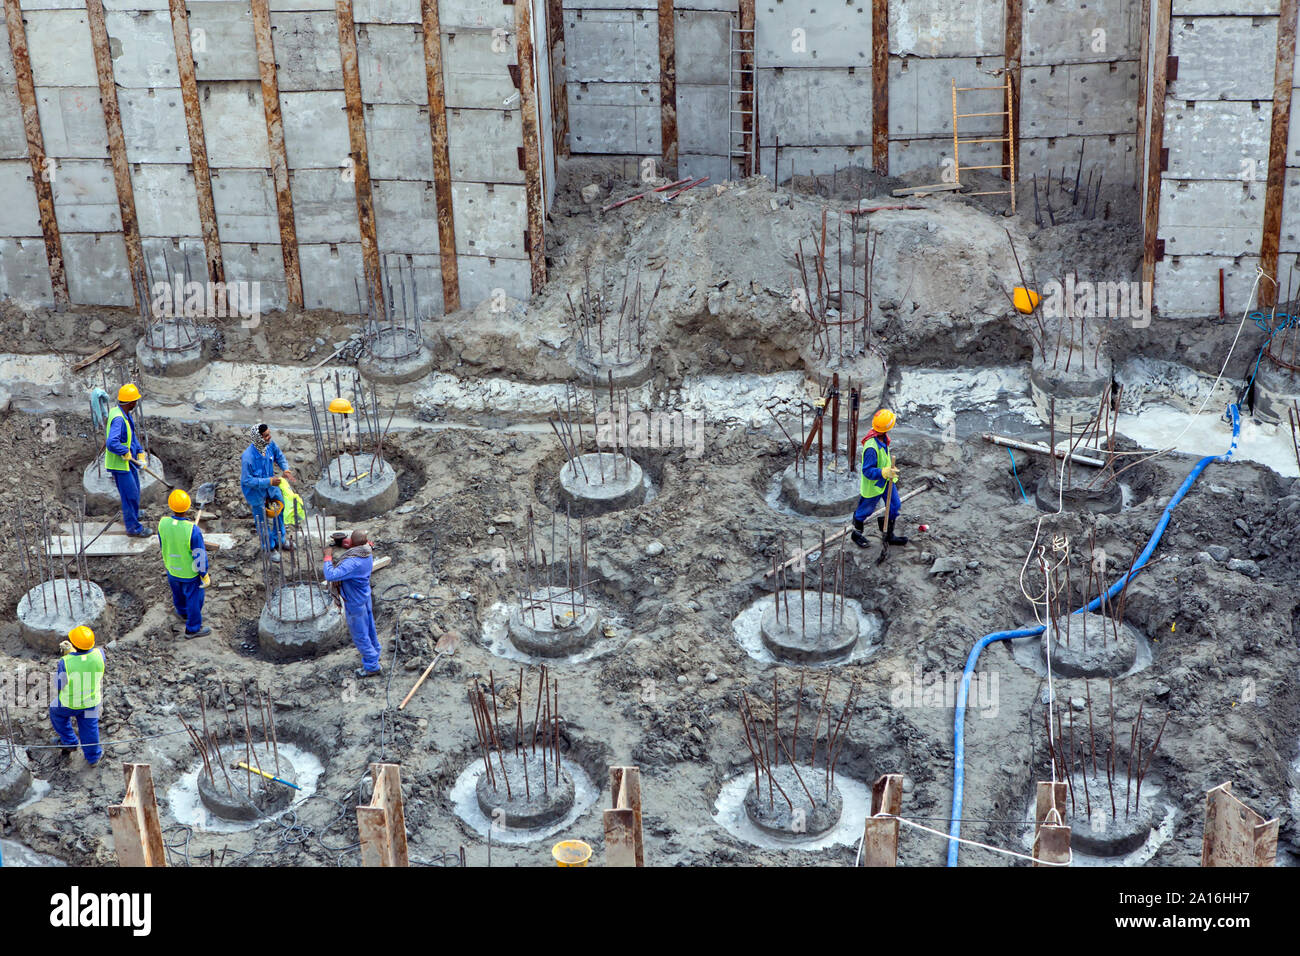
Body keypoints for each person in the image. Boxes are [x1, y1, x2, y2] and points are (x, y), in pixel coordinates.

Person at [323, 529, 380, 678]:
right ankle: (375, 651)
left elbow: (331, 575)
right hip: (364, 596)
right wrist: (346, 543)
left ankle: (372, 666)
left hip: (355, 602)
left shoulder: (353, 562)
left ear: (354, 543)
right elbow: (358, 546)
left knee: (360, 634)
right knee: (370, 628)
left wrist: (327, 557)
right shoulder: (367, 550)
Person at [851, 409, 910, 549]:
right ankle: (856, 533)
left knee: (895, 506)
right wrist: (883, 472)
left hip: (887, 481)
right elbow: (867, 471)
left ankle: (888, 534)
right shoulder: (871, 448)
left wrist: (889, 471)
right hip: (874, 485)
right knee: (865, 511)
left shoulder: (883, 438)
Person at [49, 626, 105, 766]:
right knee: (90, 728)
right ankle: (93, 758)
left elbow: (60, 684)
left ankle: (69, 742)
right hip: (92, 701)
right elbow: (85, 658)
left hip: (70, 703)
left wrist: (68, 655)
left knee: (55, 712)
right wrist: (74, 652)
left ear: (74, 644)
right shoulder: (100, 654)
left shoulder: (65, 662)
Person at [159, 488, 211, 638]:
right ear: (187, 508)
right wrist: (204, 573)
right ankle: (193, 628)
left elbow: (163, 543)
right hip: (189, 573)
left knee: (178, 595)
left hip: (172, 569)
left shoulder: (163, 523)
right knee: (194, 600)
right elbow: (199, 555)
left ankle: (182, 613)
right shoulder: (192, 530)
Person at [240, 423, 293, 562]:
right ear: (258, 438)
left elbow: (279, 456)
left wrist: (285, 469)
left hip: (271, 487)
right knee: (262, 520)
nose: (269, 437)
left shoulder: (270, 445)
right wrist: (268, 482)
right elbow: (247, 480)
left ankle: (280, 539)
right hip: (256, 492)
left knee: (279, 509)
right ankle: (269, 547)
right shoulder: (248, 457)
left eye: (269, 434)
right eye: (266, 436)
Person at [104, 383, 151, 537]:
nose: (136, 403)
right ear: (130, 402)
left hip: (128, 461)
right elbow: (111, 443)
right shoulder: (118, 419)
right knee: (129, 494)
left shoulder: (124, 414)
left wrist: (139, 452)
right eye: (135, 401)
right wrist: (125, 451)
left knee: (135, 490)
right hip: (119, 464)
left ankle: (134, 512)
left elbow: (131, 436)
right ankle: (133, 528)